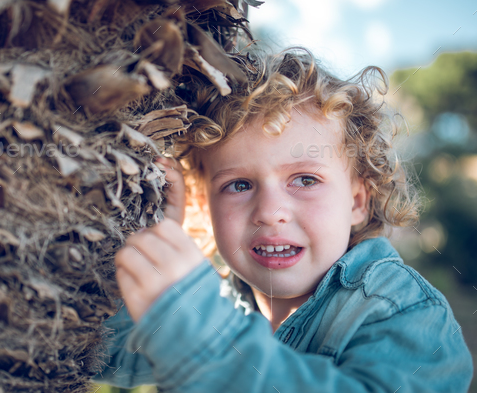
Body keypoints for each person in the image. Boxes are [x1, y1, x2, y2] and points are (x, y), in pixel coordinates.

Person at [90, 47, 474, 392]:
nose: (270, 211)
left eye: (305, 180)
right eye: (239, 184)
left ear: (357, 202)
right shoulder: (224, 301)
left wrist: (206, 341)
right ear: (205, 207)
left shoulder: (401, 310)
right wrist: (148, 253)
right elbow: (105, 354)